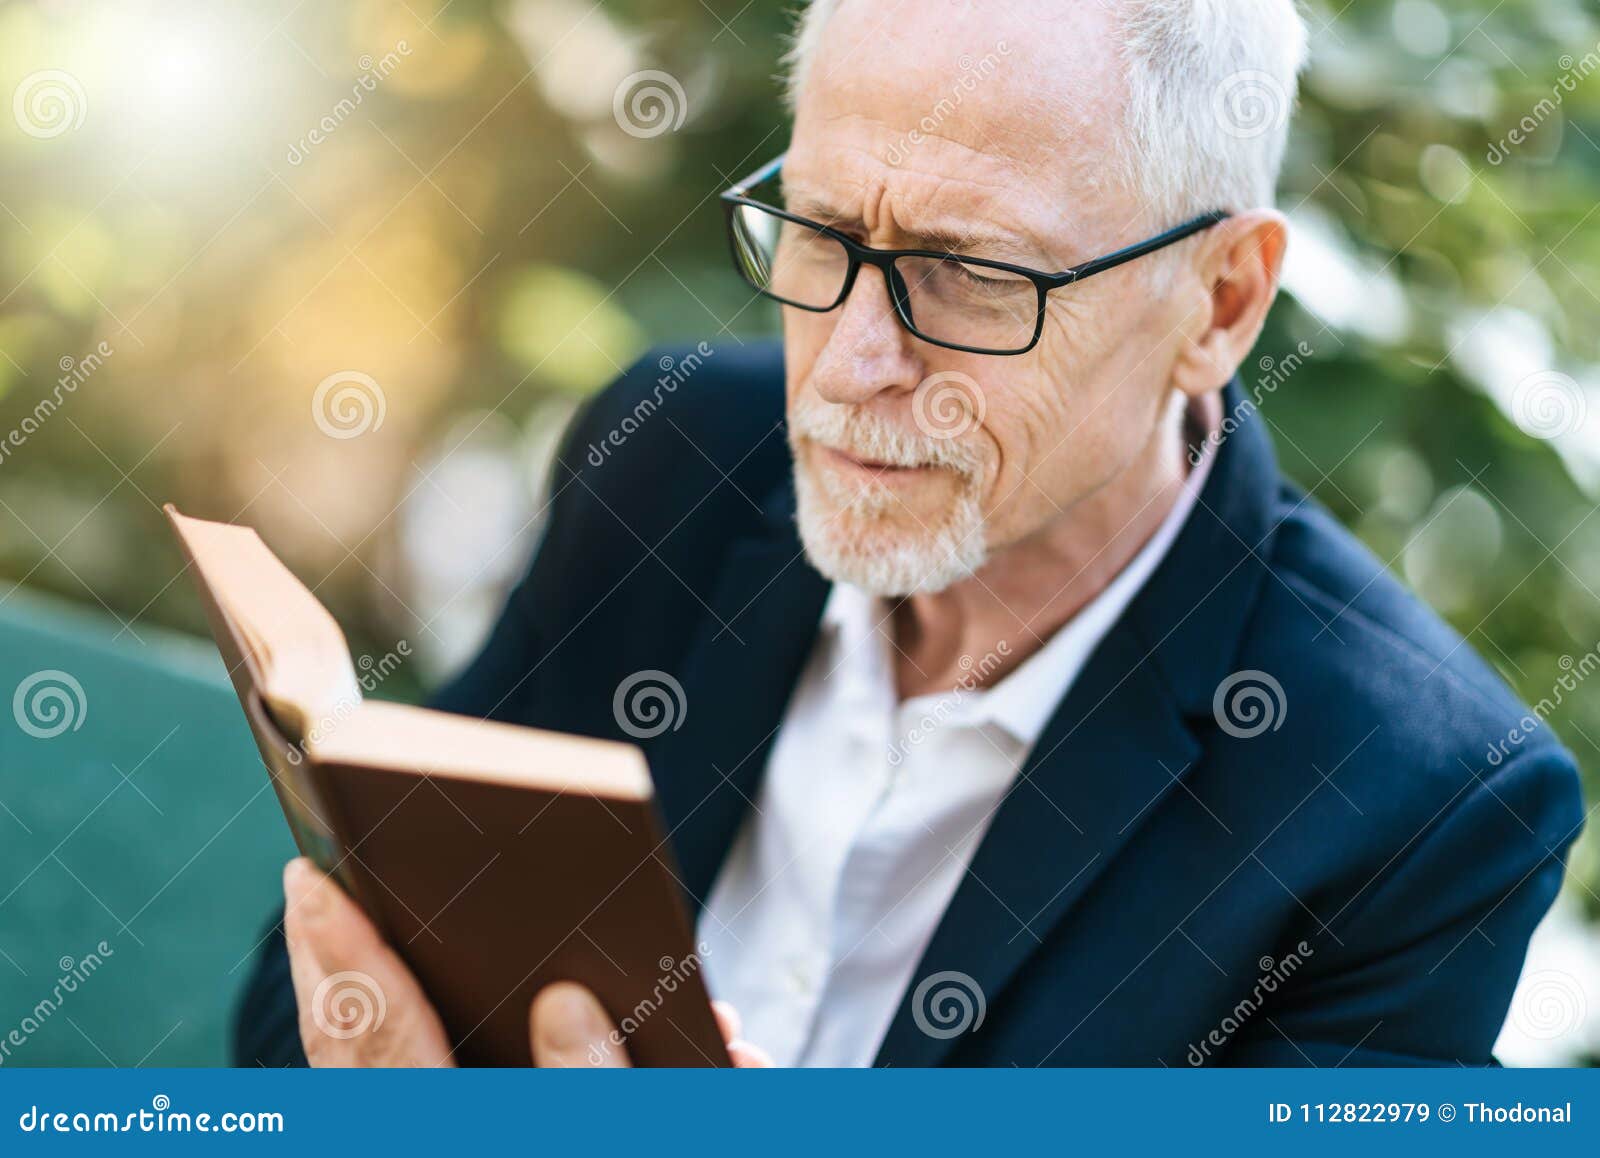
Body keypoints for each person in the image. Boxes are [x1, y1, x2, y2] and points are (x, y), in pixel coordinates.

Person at [237, 0, 1585, 1067]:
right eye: (820, 232)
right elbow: (310, 1005)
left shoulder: (1415, 813)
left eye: (968, 274)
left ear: (1219, 304)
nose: (849, 366)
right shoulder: (671, 465)